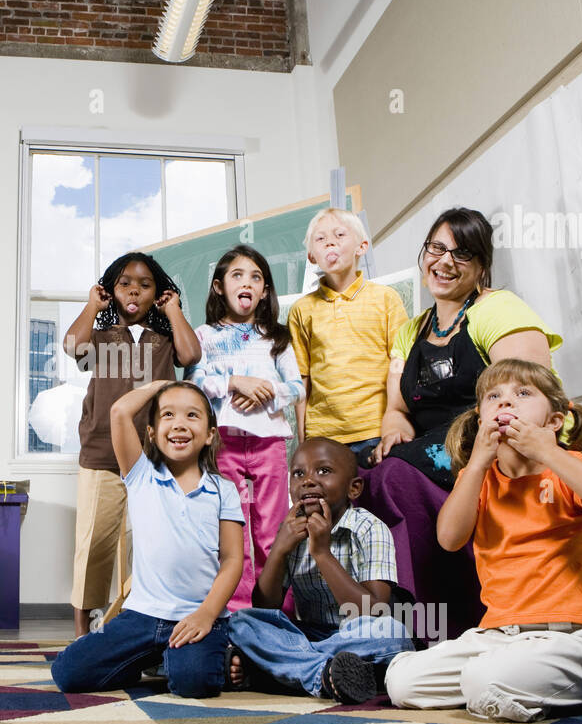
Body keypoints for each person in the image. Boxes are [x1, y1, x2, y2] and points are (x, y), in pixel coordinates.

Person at [385, 359, 582, 721]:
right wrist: (478, 463)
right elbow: (449, 538)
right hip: (498, 635)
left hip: (571, 636)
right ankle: (512, 682)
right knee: (402, 683)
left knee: (483, 681)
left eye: (523, 393)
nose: (506, 402)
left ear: (553, 421)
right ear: (479, 417)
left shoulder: (565, 466)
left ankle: (572, 677)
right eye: (493, 396)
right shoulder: (479, 479)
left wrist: (548, 451)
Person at [356, 207, 562, 635]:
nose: (445, 261)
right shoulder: (412, 330)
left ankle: (442, 622)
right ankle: (368, 621)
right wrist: (394, 423)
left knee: (394, 477)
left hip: (495, 440)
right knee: (353, 475)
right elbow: (396, 405)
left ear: (482, 265)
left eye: (462, 253)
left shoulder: (499, 311)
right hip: (434, 441)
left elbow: (528, 399)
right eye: (437, 248)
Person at [51, 380, 244, 699]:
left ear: (210, 434)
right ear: (152, 433)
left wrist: (207, 614)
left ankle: (209, 656)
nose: (180, 423)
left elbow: (233, 560)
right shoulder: (141, 475)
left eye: (192, 416)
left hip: (194, 616)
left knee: (193, 684)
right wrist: (164, 385)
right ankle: (155, 658)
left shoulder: (224, 490)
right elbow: (120, 411)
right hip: (141, 617)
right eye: (168, 414)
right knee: (68, 673)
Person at [63, 252, 200, 638]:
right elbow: (72, 346)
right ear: (111, 289)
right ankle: (83, 636)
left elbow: (191, 355)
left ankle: (129, 629)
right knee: (93, 546)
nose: (134, 290)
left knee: (144, 548)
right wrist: (93, 305)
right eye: (125, 283)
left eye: (145, 284)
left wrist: (173, 311)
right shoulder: (101, 338)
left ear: (158, 292)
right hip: (101, 456)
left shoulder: (165, 339)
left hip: (152, 460)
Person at [227, 438, 415, 703]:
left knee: (393, 635)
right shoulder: (292, 529)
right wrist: (279, 549)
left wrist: (322, 553)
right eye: (298, 473)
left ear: (354, 488)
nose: (308, 480)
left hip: (361, 635)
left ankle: (280, 670)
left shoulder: (369, 528)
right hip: (312, 632)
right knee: (242, 622)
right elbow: (265, 604)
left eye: (323, 471)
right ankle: (324, 673)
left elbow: (374, 610)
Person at [188, 246, 304, 613]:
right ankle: (237, 614)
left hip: (269, 445)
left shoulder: (278, 337)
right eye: (237, 275)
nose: (247, 282)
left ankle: (278, 614)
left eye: (256, 277)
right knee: (232, 531)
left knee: (271, 532)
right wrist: (237, 381)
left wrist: (265, 393)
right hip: (224, 444)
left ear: (265, 291)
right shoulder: (204, 335)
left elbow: (298, 388)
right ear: (219, 286)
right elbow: (195, 380)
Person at [287, 208, 407, 458]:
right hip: (324, 435)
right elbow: (302, 378)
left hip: (376, 429)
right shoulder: (301, 310)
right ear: (311, 256)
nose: (330, 241)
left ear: (361, 247)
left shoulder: (386, 299)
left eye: (340, 234)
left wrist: (395, 423)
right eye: (320, 239)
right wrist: (303, 440)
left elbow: (400, 366)